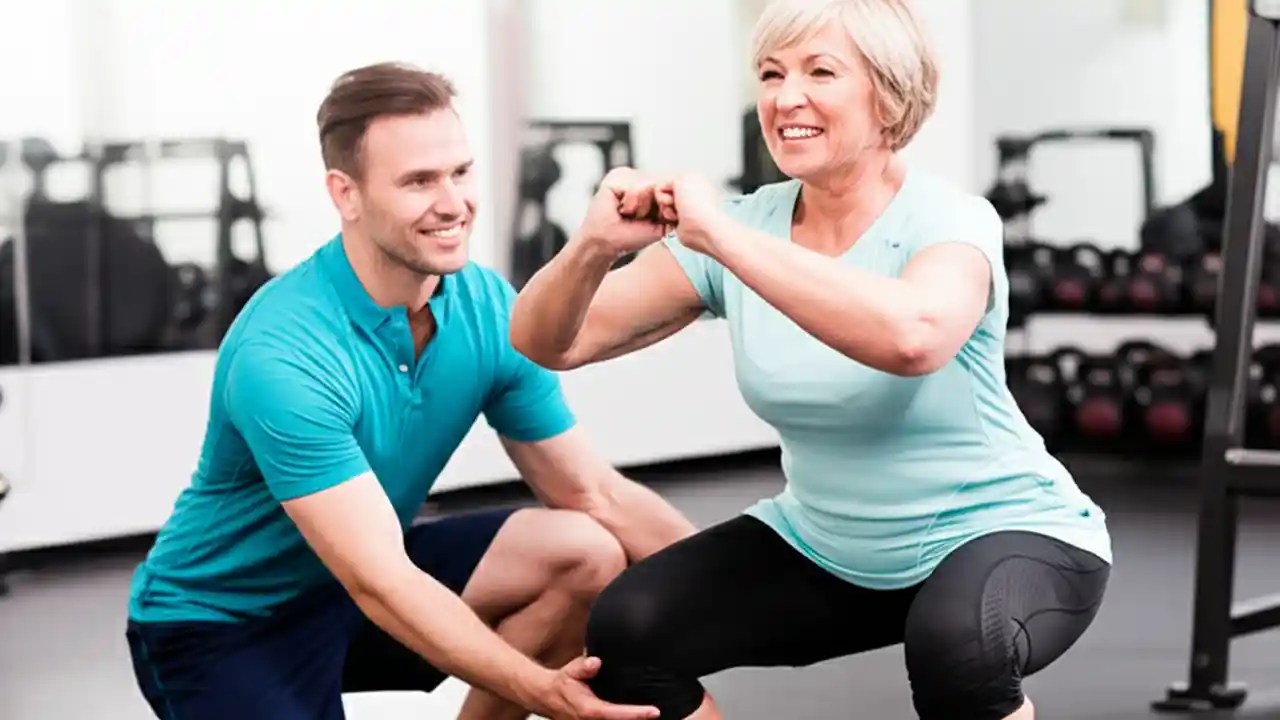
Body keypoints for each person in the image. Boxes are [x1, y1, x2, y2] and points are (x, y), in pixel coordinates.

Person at [508, 1, 1113, 718]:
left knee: (961, 645)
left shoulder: (948, 220)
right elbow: (548, 341)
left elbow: (913, 339)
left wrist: (724, 241)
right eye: (771, 73)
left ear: (887, 96)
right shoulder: (745, 225)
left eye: (819, 71)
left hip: (1002, 532)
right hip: (830, 547)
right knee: (629, 631)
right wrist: (593, 247)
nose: (784, 97)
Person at [124, 62, 695, 720]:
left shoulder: (484, 307)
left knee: (585, 551)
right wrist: (544, 693)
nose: (452, 202)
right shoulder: (283, 351)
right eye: (419, 181)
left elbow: (593, 492)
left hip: (359, 577)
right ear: (346, 194)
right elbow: (382, 582)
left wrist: (737, 588)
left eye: (459, 172)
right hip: (225, 622)